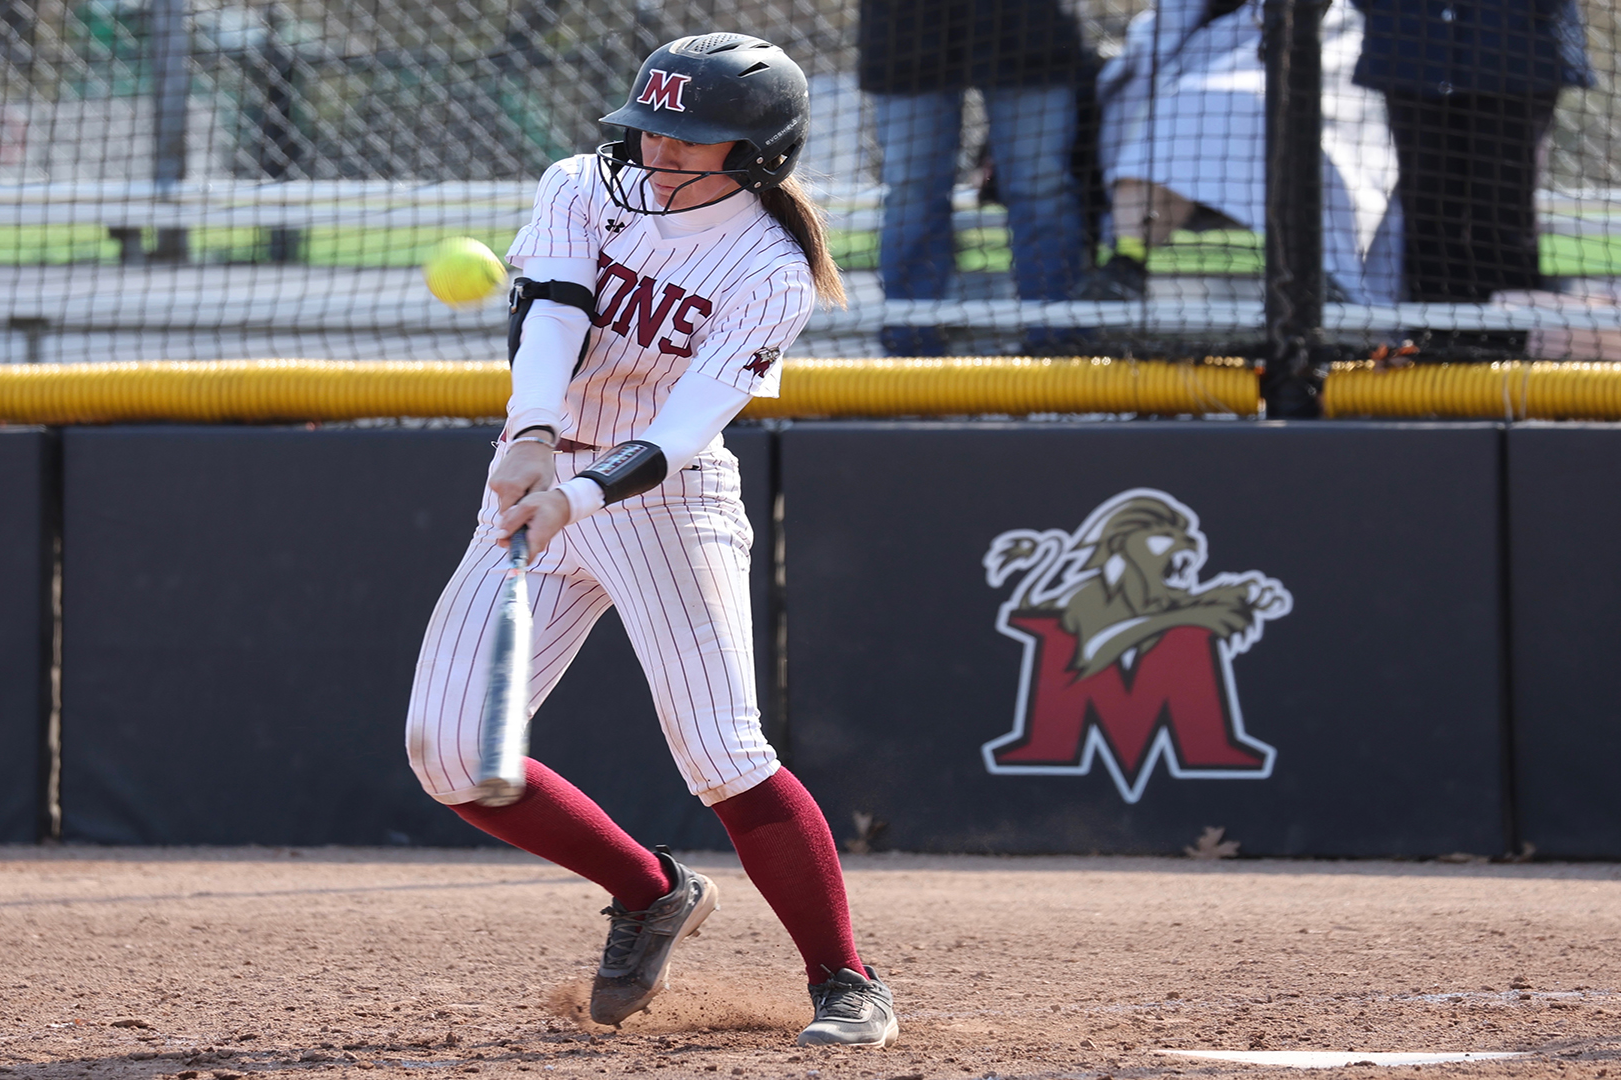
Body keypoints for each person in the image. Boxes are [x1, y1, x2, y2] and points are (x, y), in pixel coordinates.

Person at [404, 34, 899, 1049]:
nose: (657, 154)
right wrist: (533, 438)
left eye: (691, 141)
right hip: (538, 475)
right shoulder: (580, 188)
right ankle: (649, 890)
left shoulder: (773, 267)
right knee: (451, 755)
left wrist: (575, 493)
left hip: (663, 502)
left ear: (758, 154)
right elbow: (549, 311)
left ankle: (847, 982)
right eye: (650, 130)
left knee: (722, 751)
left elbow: (683, 432)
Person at [1081, 0, 1401, 304]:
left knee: (1301, 129)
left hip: (1328, 53)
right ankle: (1126, 262)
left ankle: (1328, 277)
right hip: (1212, 56)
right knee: (1176, 113)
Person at [1352, 0, 1595, 357]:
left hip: (1515, 51)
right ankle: (1432, 343)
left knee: (1501, 209)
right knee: (1428, 206)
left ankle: (1505, 347)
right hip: (1411, 50)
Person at [859, 0, 1095, 355]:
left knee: (1041, 187)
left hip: (1030, 29)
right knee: (913, 190)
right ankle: (910, 343)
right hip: (907, 31)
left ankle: (1055, 340)